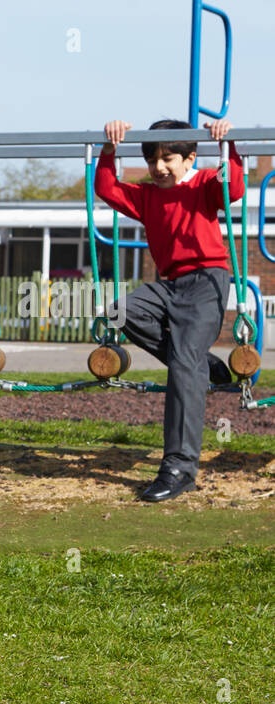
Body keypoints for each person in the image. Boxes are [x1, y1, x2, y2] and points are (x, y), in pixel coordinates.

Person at [98, 118, 243, 502]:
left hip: (207, 281)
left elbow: (235, 187)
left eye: (169, 158)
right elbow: (106, 187)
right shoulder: (147, 195)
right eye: (151, 160)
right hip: (170, 283)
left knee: (183, 366)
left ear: (189, 157)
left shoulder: (204, 184)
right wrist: (110, 147)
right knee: (122, 312)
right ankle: (203, 364)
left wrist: (226, 145)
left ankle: (179, 468)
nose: (159, 167)